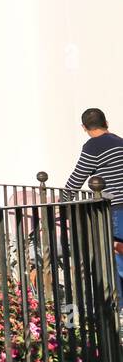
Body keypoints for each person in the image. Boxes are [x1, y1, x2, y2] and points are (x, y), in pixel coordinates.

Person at [63, 107, 123, 295]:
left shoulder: (93, 146)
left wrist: (62, 202)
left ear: (84, 127)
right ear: (106, 122)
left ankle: (119, 308)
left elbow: (77, 177)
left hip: (115, 207)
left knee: (116, 256)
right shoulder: (119, 142)